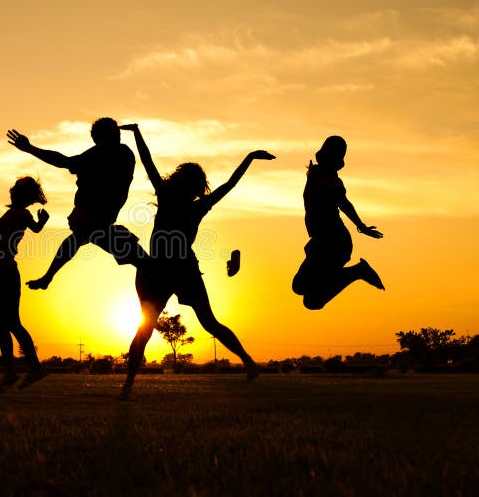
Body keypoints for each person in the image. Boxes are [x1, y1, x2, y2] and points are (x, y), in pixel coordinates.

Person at [119, 124, 273, 399]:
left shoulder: (171, 196)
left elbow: (148, 161)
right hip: (173, 269)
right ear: (194, 186)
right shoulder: (192, 203)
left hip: (170, 269)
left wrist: (137, 133)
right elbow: (228, 184)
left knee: (151, 327)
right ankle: (249, 363)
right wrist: (249, 158)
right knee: (202, 323)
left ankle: (128, 385)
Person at [6, 118, 147, 290]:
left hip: (101, 219)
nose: (116, 137)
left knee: (143, 262)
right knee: (82, 236)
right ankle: (47, 277)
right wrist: (30, 148)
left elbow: (64, 161)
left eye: (116, 134)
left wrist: (30, 148)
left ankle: (47, 277)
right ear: (99, 139)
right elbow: (62, 161)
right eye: (111, 135)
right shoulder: (95, 156)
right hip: (90, 214)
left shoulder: (121, 153)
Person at [292, 135, 384, 310]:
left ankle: (358, 271)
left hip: (333, 242)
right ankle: (357, 271)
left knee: (305, 293)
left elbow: (345, 205)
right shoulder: (316, 174)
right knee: (306, 294)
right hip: (323, 240)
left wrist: (361, 226)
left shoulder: (331, 181)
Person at [0, 177, 50, 393]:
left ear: (22, 196)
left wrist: (41, 222)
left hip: (4, 273)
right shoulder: (18, 213)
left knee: (11, 323)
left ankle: (34, 368)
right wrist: (42, 222)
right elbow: (36, 229)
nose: (11, 192)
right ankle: (12, 371)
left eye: (16, 191)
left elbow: (35, 228)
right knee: (1, 325)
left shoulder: (21, 213)